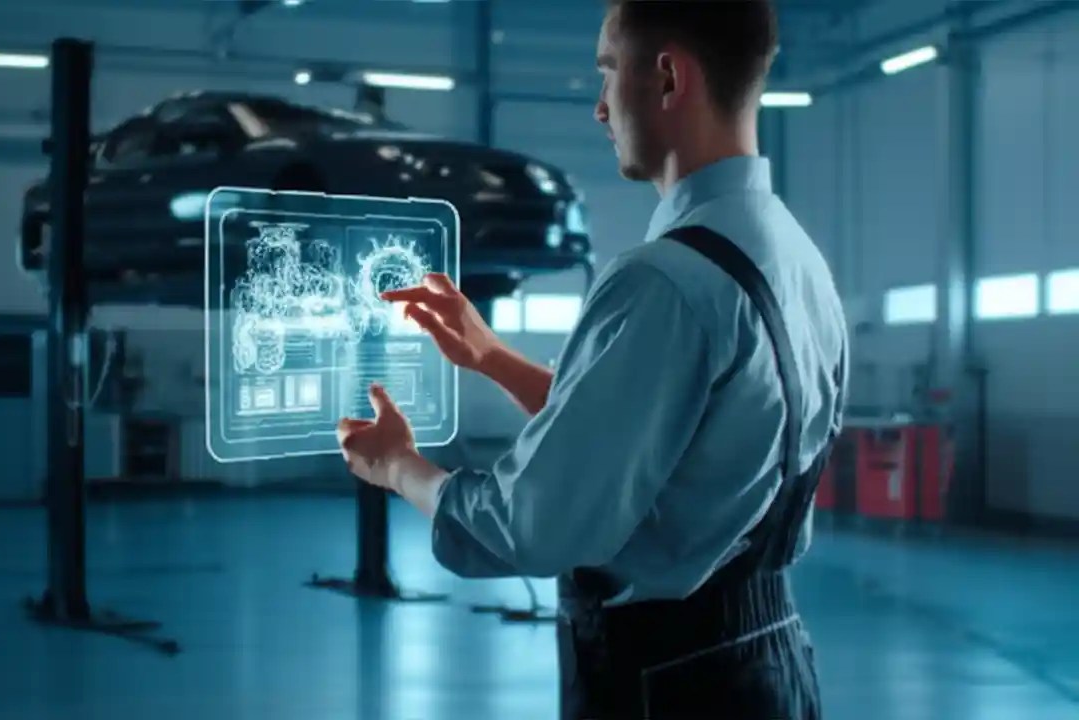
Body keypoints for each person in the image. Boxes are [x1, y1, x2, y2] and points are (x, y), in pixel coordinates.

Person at [335, 0, 848, 717]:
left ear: (667, 77)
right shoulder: (795, 257)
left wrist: (398, 467)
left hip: (669, 686)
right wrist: (489, 357)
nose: (601, 109)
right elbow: (658, 444)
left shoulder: (662, 280)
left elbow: (530, 526)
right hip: (772, 663)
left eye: (608, 73)